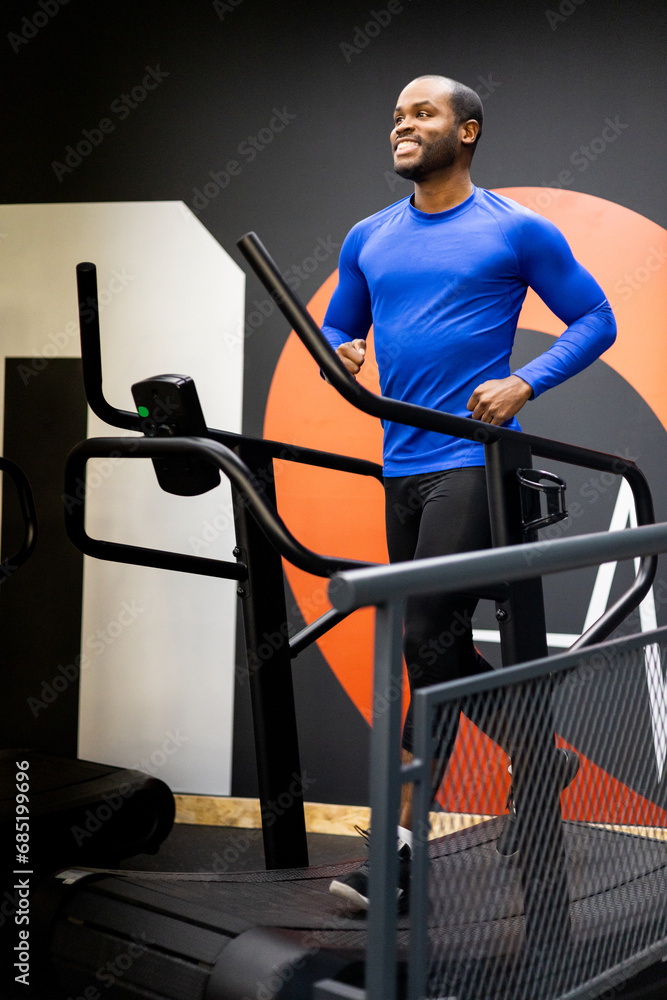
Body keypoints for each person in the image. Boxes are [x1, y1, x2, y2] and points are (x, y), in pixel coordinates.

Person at [324, 75, 616, 911]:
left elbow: (595, 319)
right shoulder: (367, 238)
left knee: (420, 635)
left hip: (472, 460)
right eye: (396, 116)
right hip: (402, 467)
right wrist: (337, 348)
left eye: (422, 114)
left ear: (469, 130)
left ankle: (400, 857)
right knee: (437, 643)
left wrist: (523, 383)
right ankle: (537, 749)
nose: (403, 126)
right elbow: (340, 323)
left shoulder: (513, 230)